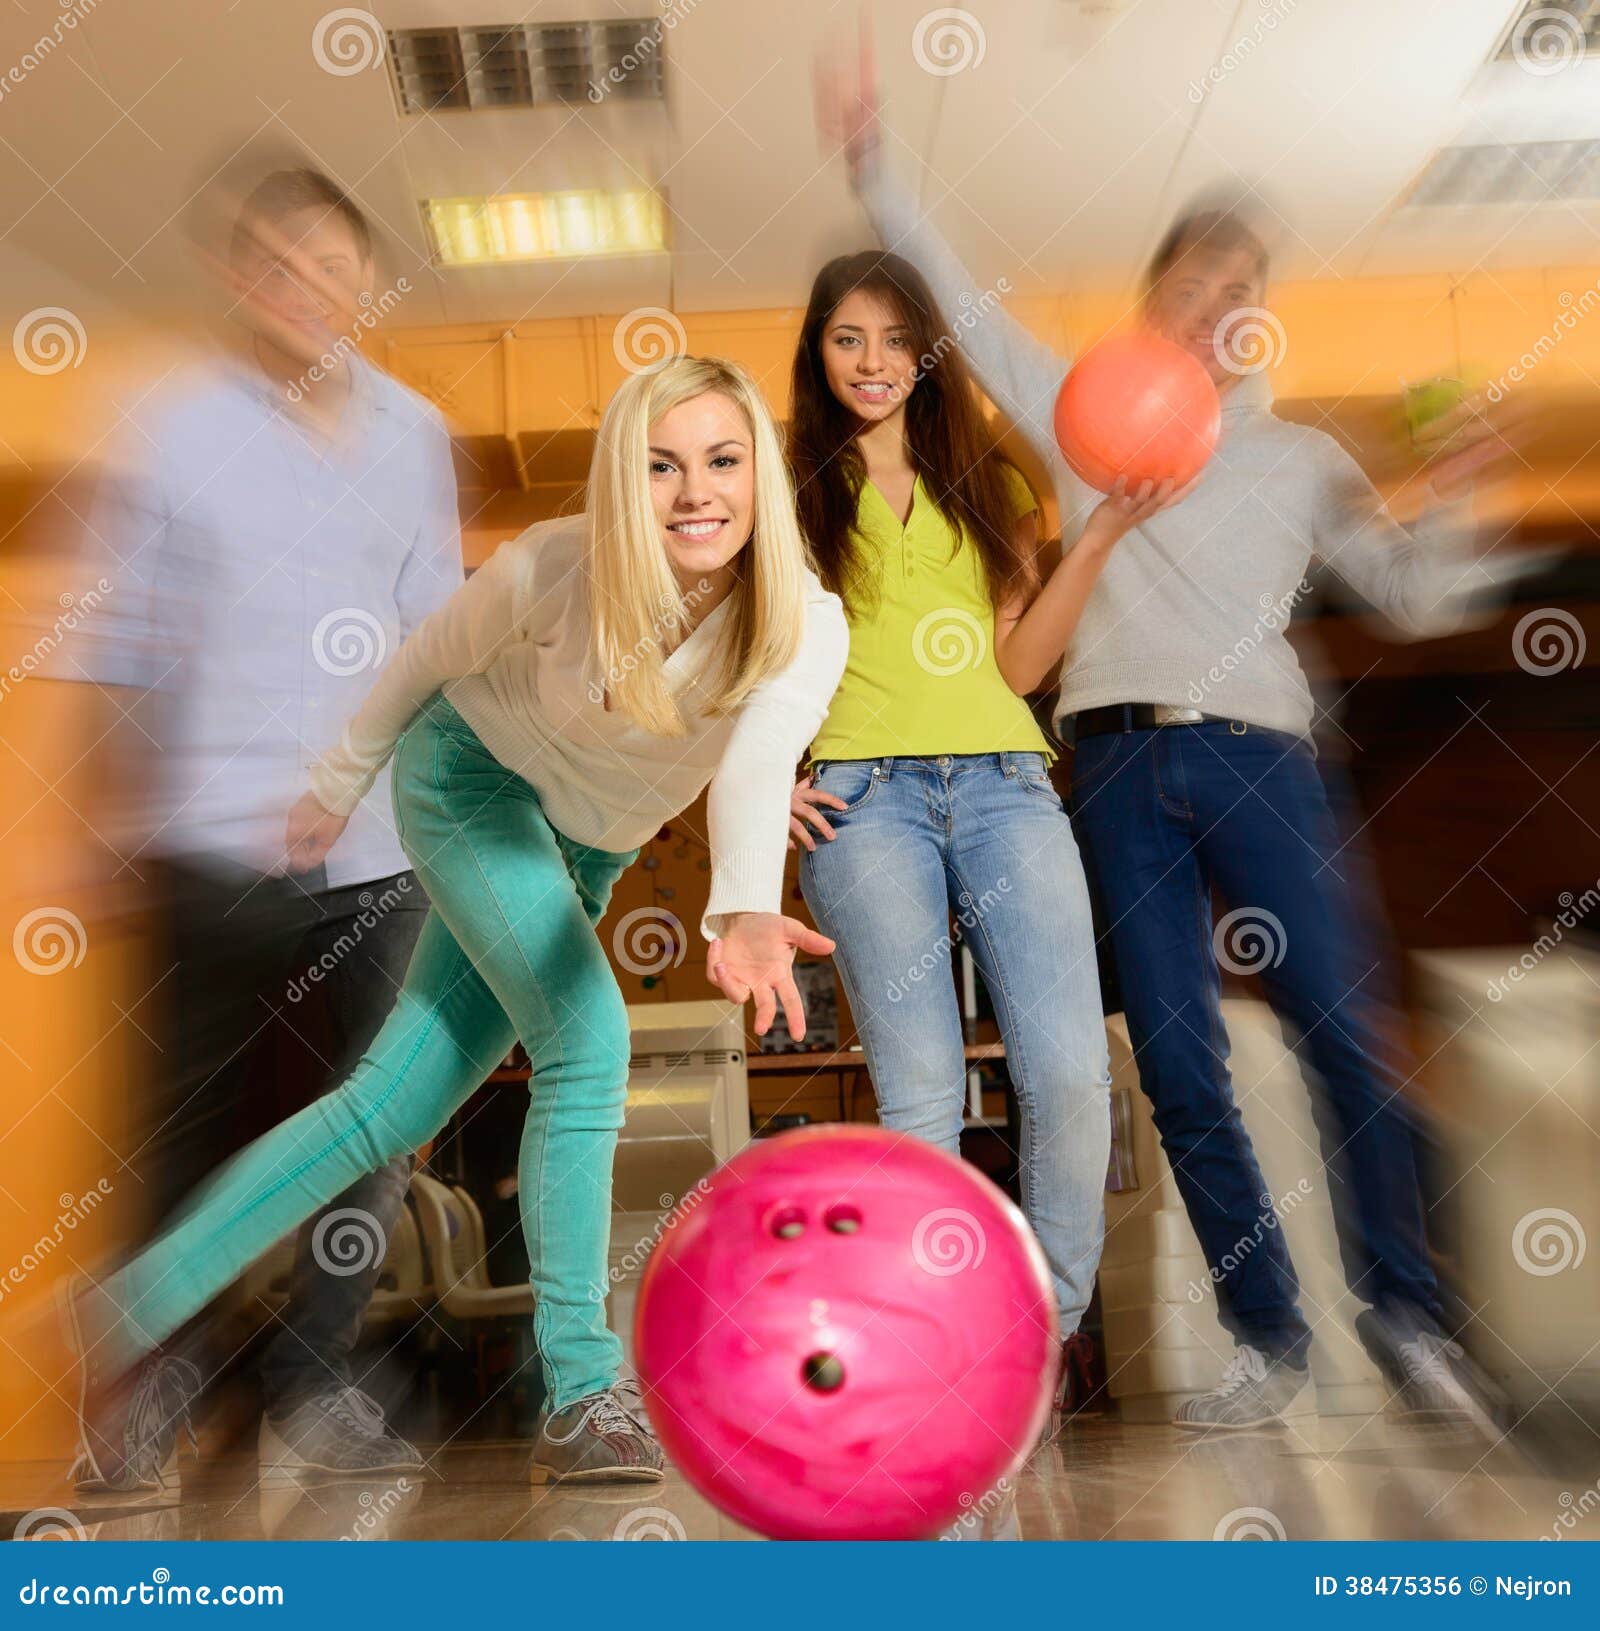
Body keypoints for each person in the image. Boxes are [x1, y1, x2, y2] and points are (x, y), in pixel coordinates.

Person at [816, 38, 1522, 1431]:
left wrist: (1461, 493)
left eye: (1238, 296)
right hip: (1116, 763)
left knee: (1336, 1026)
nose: (1213, 312)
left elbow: (1414, 589)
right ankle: (1268, 1336)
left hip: (1262, 753)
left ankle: (1411, 1317)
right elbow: (955, 297)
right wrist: (874, 164)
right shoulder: (1082, 411)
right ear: (1153, 302)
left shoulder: (1302, 456)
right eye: (1192, 288)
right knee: (1179, 1063)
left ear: (1258, 322)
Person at [60, 354, 849, 1488]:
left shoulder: (803, 620)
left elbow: (759, 756)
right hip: (469, 783)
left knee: (381, 1111)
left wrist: (743, 906)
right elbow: (422, 659)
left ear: (760, 476)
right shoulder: (555, 566)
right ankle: (583, 1390)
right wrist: (337, 779)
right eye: (660, 464)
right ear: (624, 482)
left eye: (722, 461)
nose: (694, 492)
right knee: (589, 1042)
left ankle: (126, 1307)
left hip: (585, 845)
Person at [52, 168, 460, 1489]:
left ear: (362, 278)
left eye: (331, 261)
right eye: (277, 263)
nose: (306, 286)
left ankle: (314, 1377)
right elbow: (117, 636)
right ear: (240, 279)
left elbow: (439, 643)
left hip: (381, 843)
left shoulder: (414, 433)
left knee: (379, 1124)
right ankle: (149, 1383)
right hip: (206, 833)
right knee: (180, 1130)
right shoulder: (166, 423)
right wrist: (95, 819)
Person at [784, 245, 1180, 1425]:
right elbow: (738, 653)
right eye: (849, 337)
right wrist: (755, 790)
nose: (874, 362)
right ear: (817, 348)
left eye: (898, 340)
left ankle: (1035, 1343)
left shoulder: (995, 482)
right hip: (861, 798)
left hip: (1008, 780)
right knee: (921, 1094)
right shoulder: (787, 484)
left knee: (1066, 1074)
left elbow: (1016, 664)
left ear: (930, 354)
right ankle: (932, 1349)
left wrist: (1097, 536)